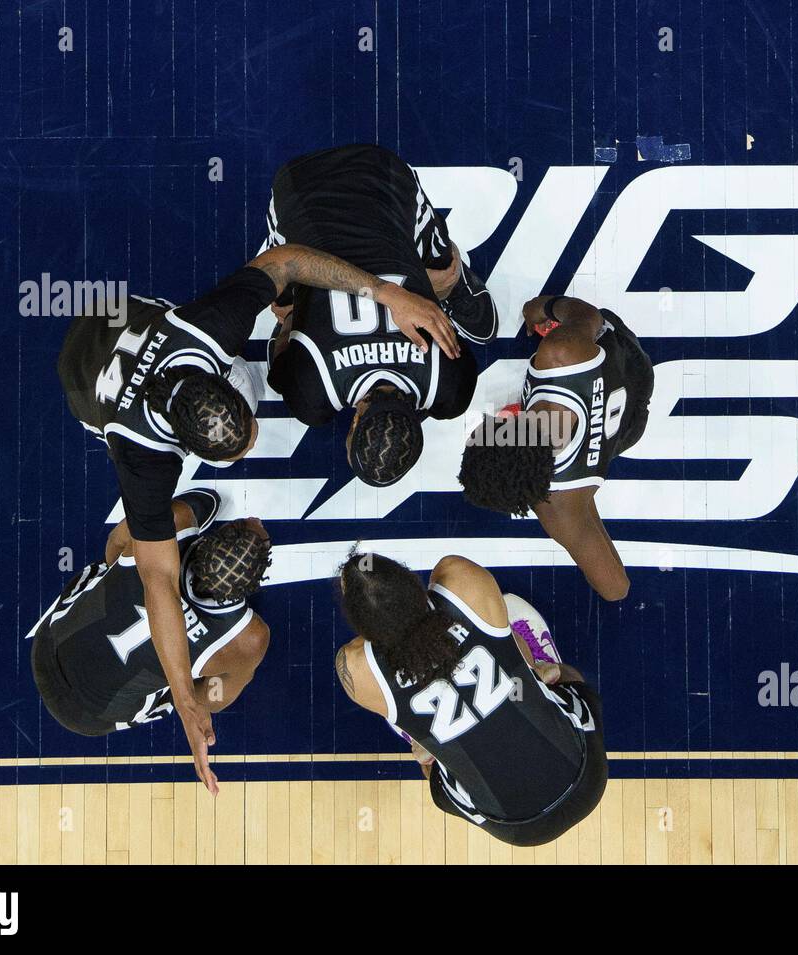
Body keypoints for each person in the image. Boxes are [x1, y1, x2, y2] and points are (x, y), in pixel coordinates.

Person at [56, 238, 439, 790]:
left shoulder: (203, 328)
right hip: (91, 383)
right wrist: (187, 698)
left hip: (120, 324)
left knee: (215, 461)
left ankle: (202, 490)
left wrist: (382, 293)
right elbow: (157, 576)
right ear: (177, 446)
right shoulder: (142, 457)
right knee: (213, 463)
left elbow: (287, 257)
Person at [333, 551, 607, 847]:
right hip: (587, 780)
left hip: (518, 830)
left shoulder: (358, 668)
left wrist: (384, 621)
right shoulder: (461, 579)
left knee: (433, 764)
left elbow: (364, 642)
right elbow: (436, 585)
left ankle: (427, 746)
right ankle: (541, 668)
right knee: (560, 673)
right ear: (410, 580)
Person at [263, 144, 498, 486]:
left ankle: (445, 283)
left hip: (384, 172)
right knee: (285, 302)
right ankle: (448, 282)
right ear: (355, 423)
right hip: (297, 187)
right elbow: (280, 354)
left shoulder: (447, 390)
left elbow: (446, 342)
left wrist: (425, 291)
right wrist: (292, 322)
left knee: (436, 268)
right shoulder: (314, 397)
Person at [27, 490, 271, 763]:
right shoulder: (248, 640)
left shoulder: (175, 520)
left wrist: (125, 583)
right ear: (256, 583)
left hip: (47, 648)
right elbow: (216, 697)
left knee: (121, 560)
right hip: (89, 718)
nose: (257, 518)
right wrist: (192, 687)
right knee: (218, 675)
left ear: (213, 537)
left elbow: (115, 545)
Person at [457, 295, 654, 600]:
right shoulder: (559, 354)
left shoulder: (558, 509)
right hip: (630, 364)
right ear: (505, 424)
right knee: (597, 319)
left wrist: (582, 508)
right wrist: (540, 308)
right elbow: (587, 315)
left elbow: (617, 589)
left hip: (626, 432)